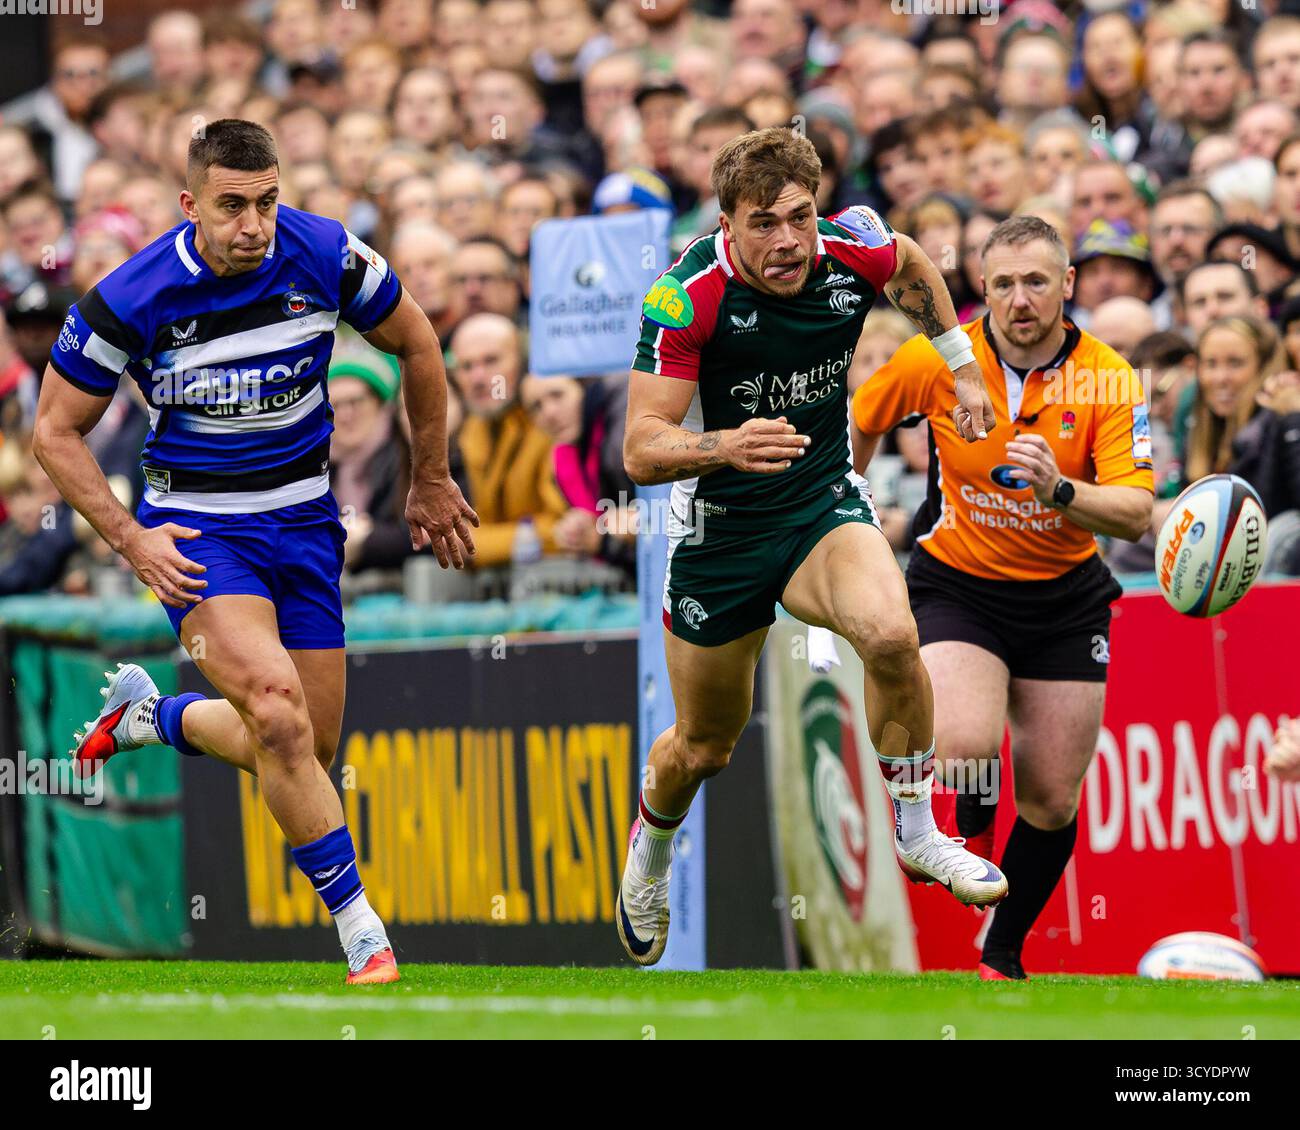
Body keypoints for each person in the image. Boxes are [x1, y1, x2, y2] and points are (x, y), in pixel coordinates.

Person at [33, 120, 477, 986]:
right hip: (200, 532)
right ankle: (363, 933)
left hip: (306, 523)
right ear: (190, 204)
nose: (255, 224)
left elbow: (419, 344)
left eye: (268, 201)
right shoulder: (132, 293)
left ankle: (153, 718)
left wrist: (429, 476)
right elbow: (54, 431)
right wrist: (130, 539)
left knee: (304, 744)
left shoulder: (327, 253)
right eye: (233, 206)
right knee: (277, 714)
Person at [617, 127, 1006, 967]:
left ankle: (917, 832)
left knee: (893, 635)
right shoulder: (684, 298)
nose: (787, 240)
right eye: (763, 223)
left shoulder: (851, 246)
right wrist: (723, 444)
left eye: (799, 216)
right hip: (720, 532)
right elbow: (640, 450)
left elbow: (911, 266)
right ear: (727, 222)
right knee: (703, 746)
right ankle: (650, 847)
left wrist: (963, 368)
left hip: (820, 502)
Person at [851, 216, 1155, 980]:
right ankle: (971, 834)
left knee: (1052, 797)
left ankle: (1003, 955)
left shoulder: (1110, 378)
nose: (1020, 300)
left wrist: (1060, 488)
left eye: (1037, 282)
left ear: (1068, 286)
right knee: (962, 746)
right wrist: (849, 507)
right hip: (960, 584)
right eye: (1004, 283)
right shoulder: (935, 358)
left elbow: (1134, 511)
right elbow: (860, 418)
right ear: (982, 289)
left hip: (1066, 599)